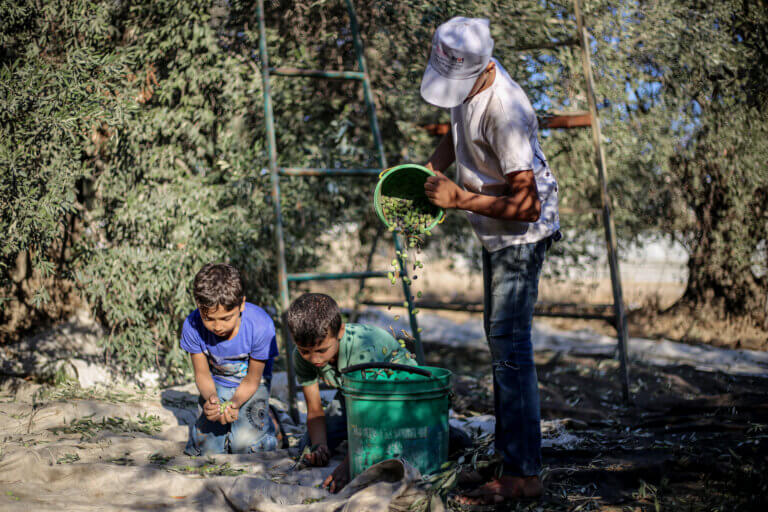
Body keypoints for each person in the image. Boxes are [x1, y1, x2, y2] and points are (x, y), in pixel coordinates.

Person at [419, 17, 560, 505]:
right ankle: (508, 457)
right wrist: (427, 169)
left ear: (481, 68)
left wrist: (459, 199)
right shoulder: (465, 85)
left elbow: (528, 206)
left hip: (522, 236)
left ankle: (523, 475)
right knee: (501, 342)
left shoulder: (506, 111)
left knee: (511, 347)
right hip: (496, 232)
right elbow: (456, 135)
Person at [284, 292, 420, 493]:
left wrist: (350, 464)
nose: (314, 359)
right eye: (305, 351)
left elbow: (372, 413)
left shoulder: (363, 347)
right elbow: (314, 409)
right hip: (355, 396)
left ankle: (449, 434)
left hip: (399, 396)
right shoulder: (300, 357)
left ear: (340, 331)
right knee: (309, 444)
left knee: (386, 448)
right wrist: (320, 446)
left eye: (321, 350)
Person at [181, 263, 280, 455]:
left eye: (226, 318)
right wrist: (212, 399)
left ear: (241, 304)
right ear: (198, 306)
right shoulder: (192, 326)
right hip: (216, 383)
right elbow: (202, 375)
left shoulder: (261, 326)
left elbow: (253, 379)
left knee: (244, 447)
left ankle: (272, 423)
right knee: (206, 450)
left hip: (252, 385)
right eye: (208, 319)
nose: (217, 327)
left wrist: (235, 403)